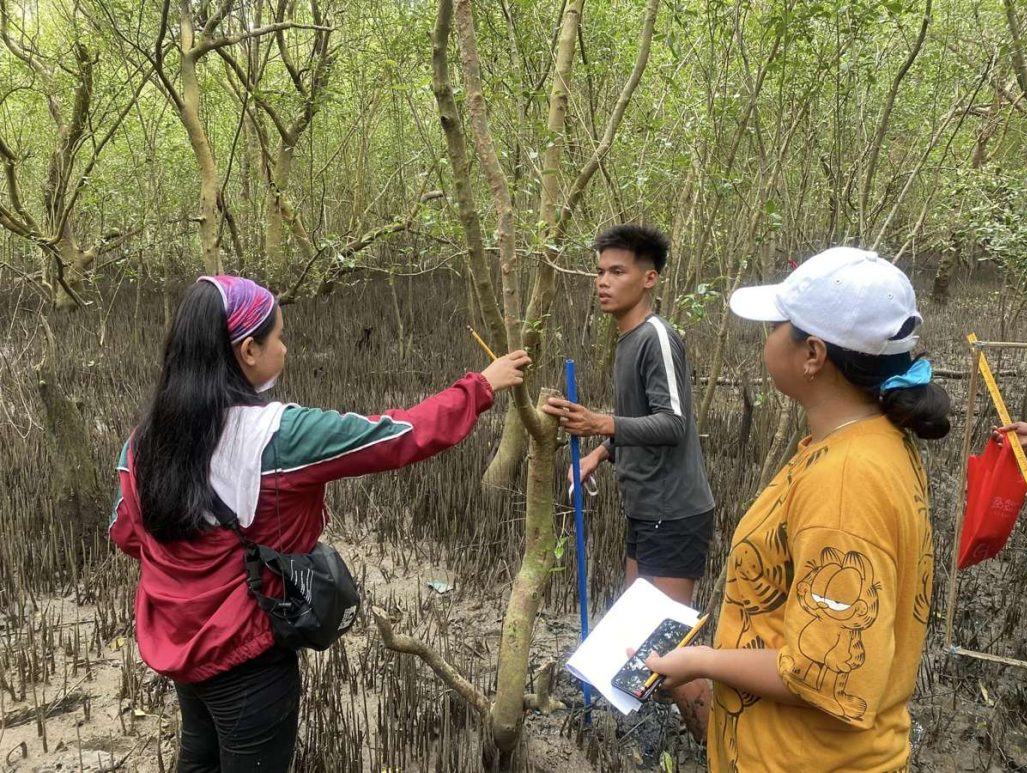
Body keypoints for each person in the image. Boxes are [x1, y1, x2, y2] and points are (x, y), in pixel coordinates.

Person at [109, 275, 530, 772]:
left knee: (197, 759)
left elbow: (126, 532)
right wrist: (480, 387)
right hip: (247, 657)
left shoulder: (143, 440)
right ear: (247, 350)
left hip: (178, 643)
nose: (284, 348)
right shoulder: (280, 436)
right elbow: (397, 437)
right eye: (280, 337)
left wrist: (191, 573)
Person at [640, 247, 950, 771]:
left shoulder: (846, 480)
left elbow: (827, 674)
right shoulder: (873, 439)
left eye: (779, 325)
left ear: (812, 354)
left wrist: (700, 662)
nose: (768, 337)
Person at [543, 224, 715, 607]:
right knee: (638, 630)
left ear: (649, 279)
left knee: (664, 641)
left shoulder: (656, 336)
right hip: (645, 508)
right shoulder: (628, 340)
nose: (603, 282)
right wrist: (598, 454)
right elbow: (639, 422)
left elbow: (672, 423)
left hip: (674, 511)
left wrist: (598, 422)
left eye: (617, 272)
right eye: (600, 272)